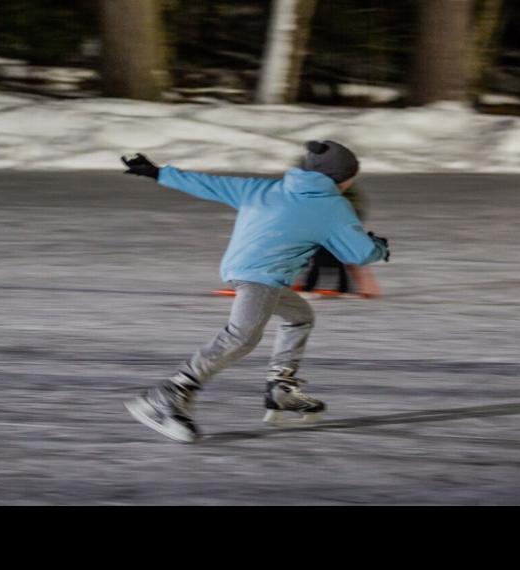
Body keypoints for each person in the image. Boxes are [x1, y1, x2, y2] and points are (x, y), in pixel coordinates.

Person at [119, 140, 389, 442]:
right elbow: (359, 253)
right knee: (241, 336)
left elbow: (211, 185)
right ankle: (168, 394)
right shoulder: (333, 205)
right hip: (262, 278)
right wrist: (379, 247)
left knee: (299, 317)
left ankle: (281, 389)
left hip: (241, 270)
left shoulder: (265, 189)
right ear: (342, 177)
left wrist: (159, 173)